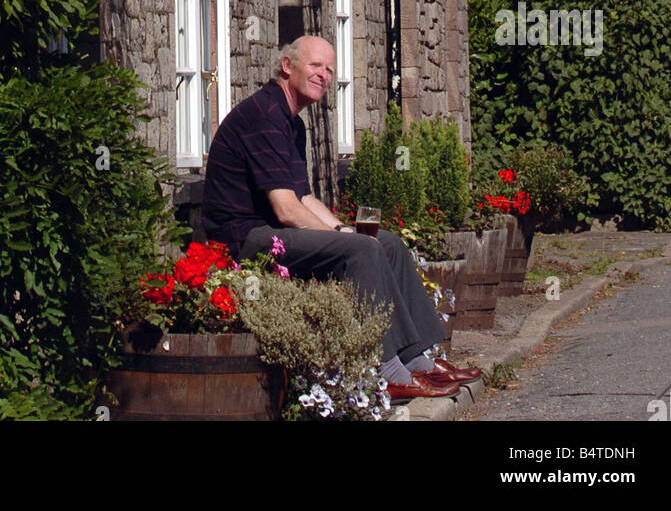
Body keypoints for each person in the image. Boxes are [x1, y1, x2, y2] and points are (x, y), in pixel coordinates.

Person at [201, 35, 480, 400]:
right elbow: (286, 209)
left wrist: (342, 228)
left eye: (330, 69)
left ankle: (417, 359)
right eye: (315, 65)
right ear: (288, 66)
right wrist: (350, 240)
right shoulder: (265, 116)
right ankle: (384, 371)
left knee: (387, 243)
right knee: (361, 251)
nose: (324, 75)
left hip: (271, 229)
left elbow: (303, 197)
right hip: (244, 237)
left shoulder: (292, 122)